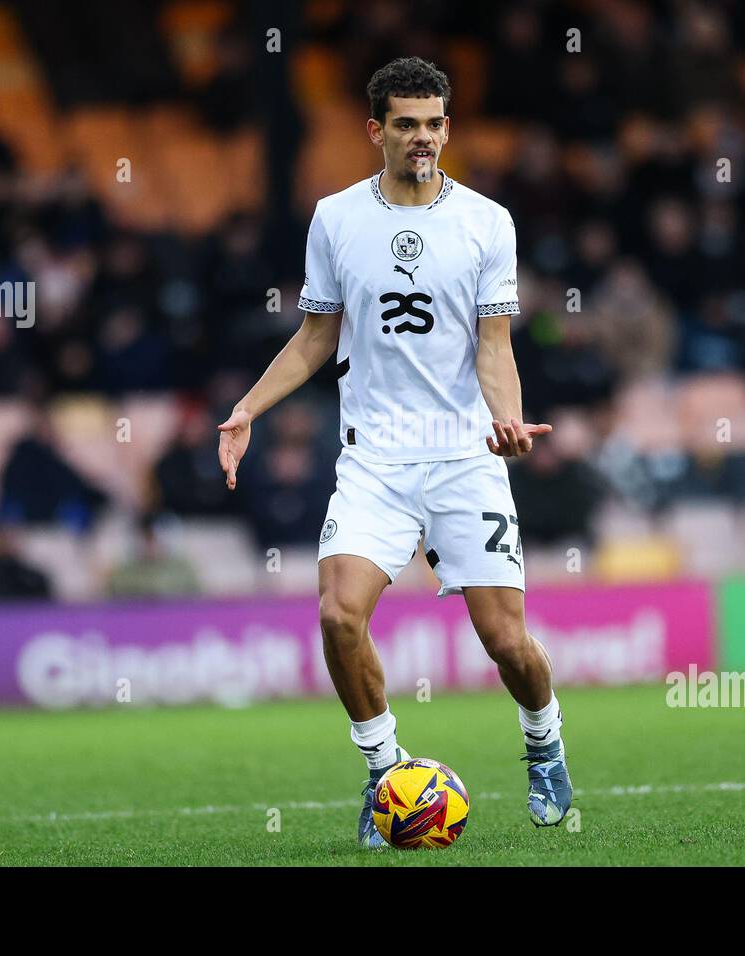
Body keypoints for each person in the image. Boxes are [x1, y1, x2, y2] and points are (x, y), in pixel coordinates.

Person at [216, 57, 571, 848]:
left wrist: (508, 421)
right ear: (375, 130)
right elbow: (315, 338)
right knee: (339, 615)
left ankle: (543, 739)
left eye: (435, 123)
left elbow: (494, 347)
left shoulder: (487, 221)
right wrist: (247, 408)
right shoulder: (336, 218)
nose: (423, 137)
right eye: (406, 123)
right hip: (373, 460)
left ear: (449, 128)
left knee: (506, 642)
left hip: (462, 455)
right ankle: (384, 771)